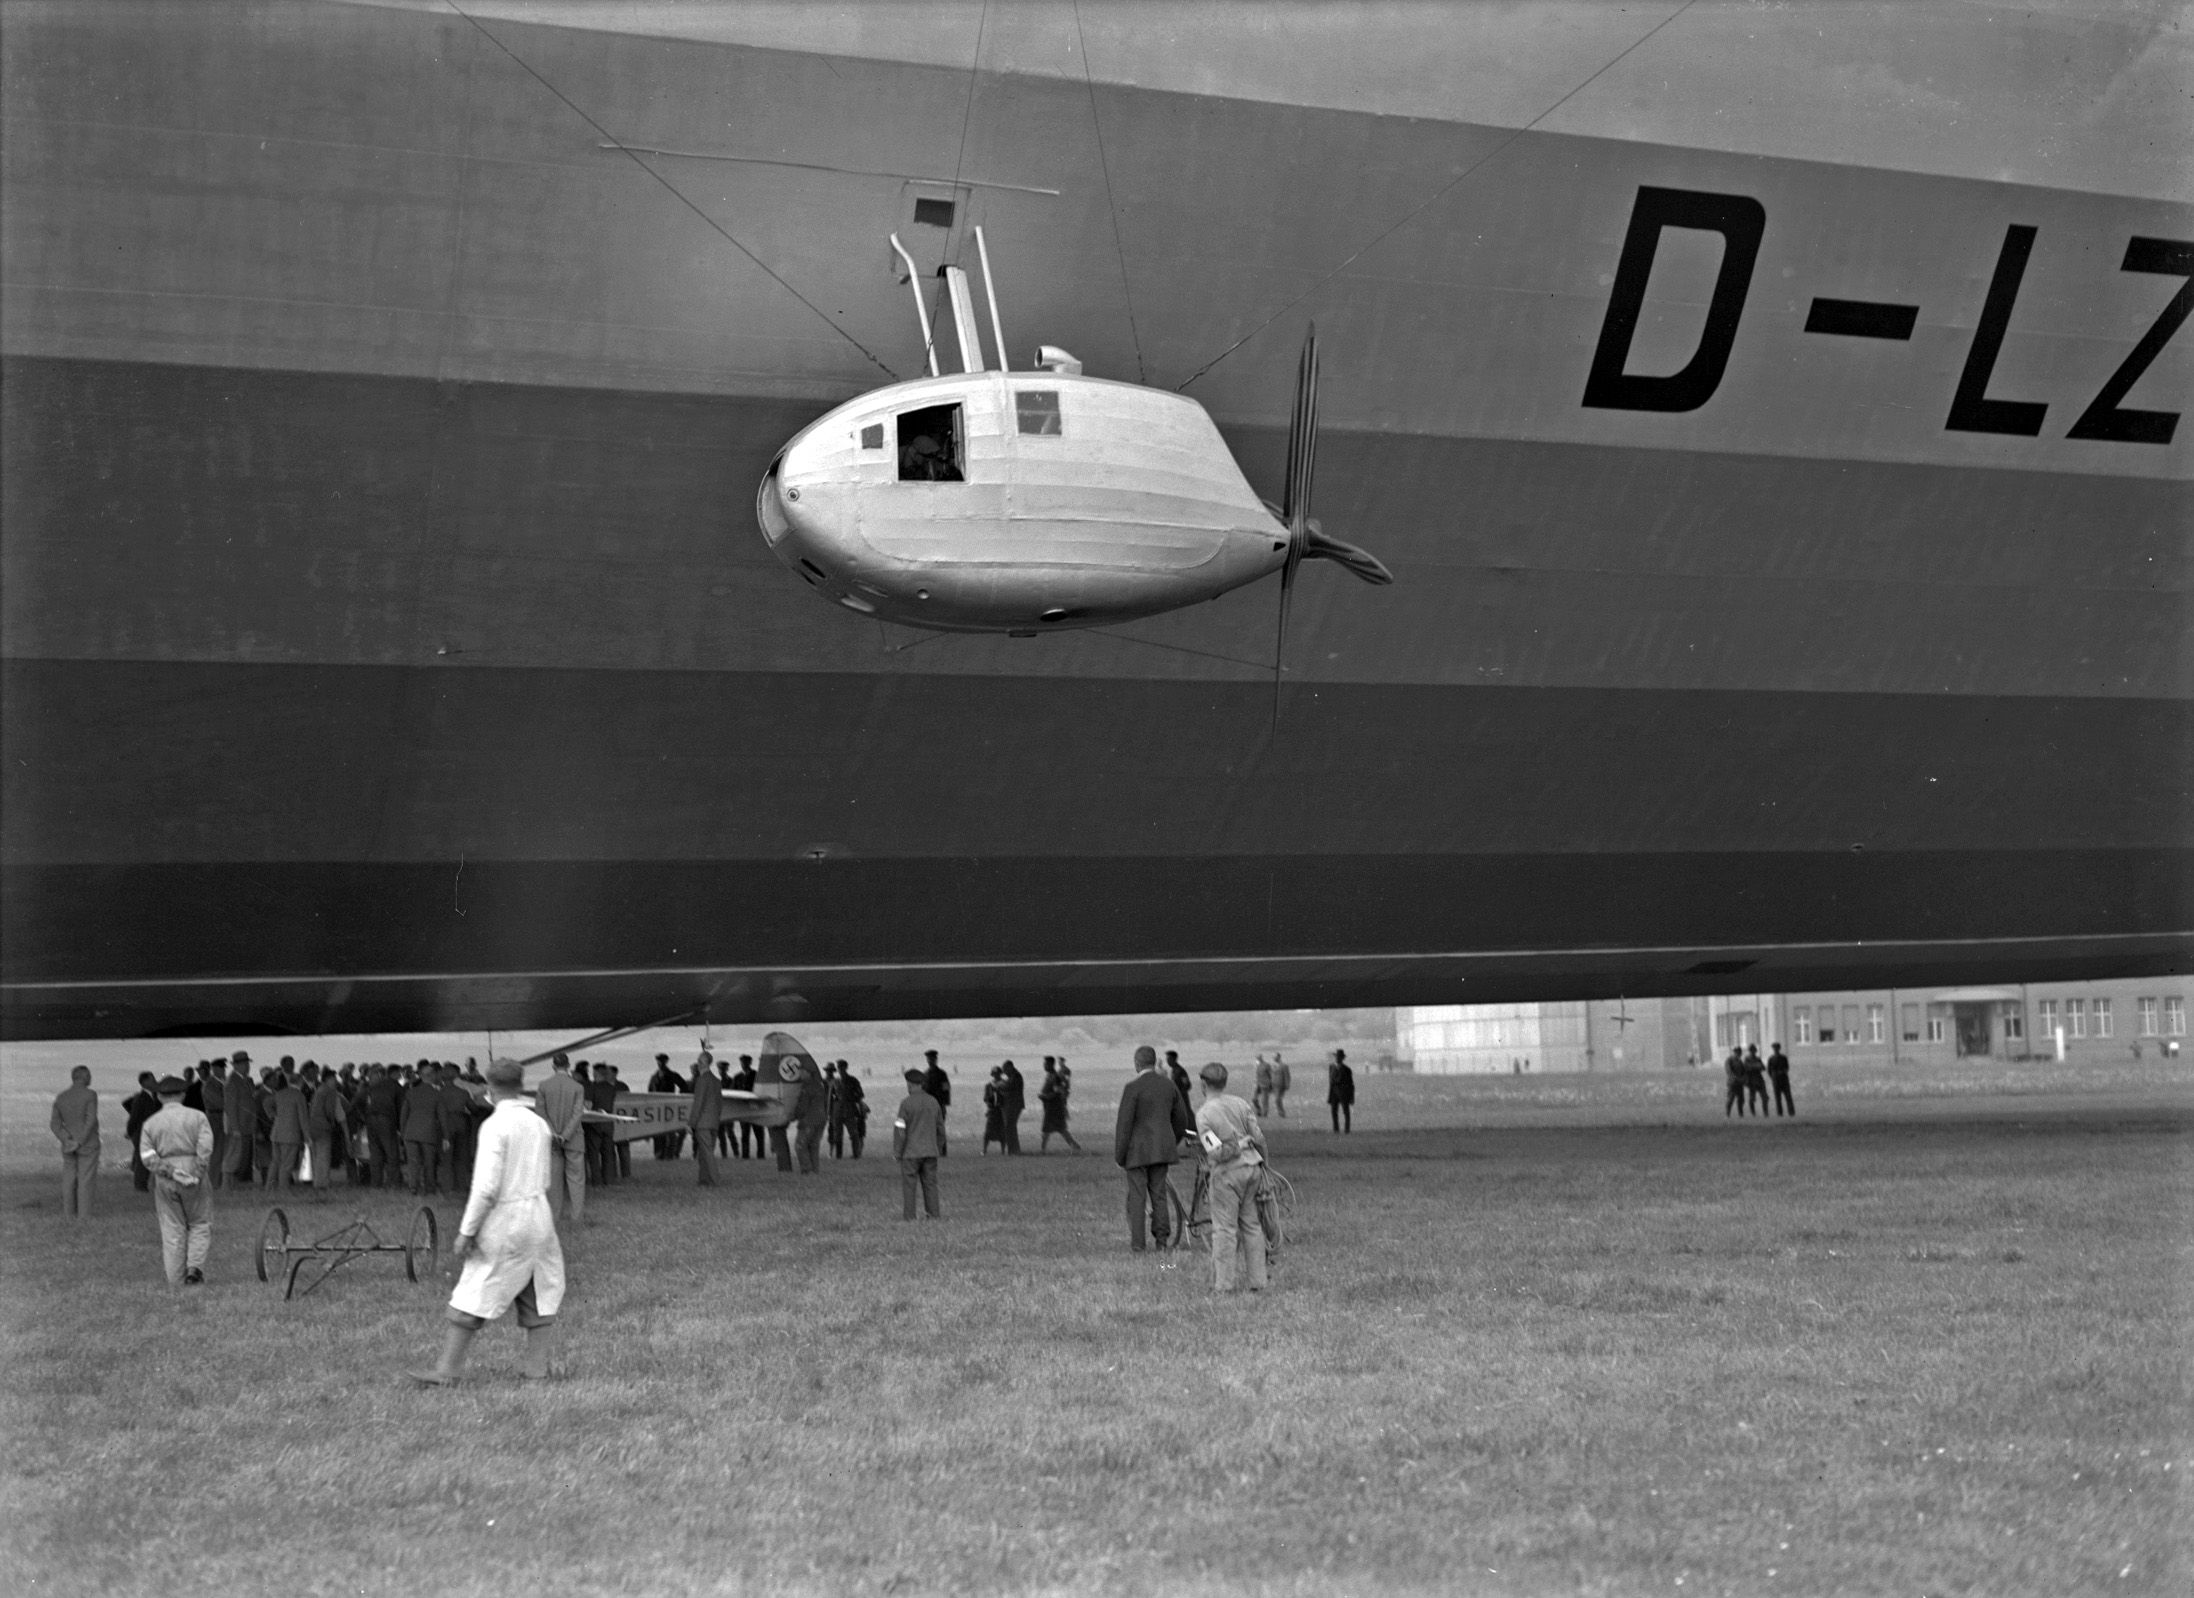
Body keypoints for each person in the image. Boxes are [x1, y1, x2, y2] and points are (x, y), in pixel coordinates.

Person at [411, 1058, 566, 1386]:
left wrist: (466, 1232)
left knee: (477, 1286)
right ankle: (536, 1369)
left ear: (489, 1088)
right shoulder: (538, 1123)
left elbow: (485, 1187)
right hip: (538, 1212)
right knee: (539, 1285)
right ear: (520, 1083)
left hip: (506, 1216)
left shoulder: (495, 1125)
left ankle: (447, 1370)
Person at [1193, 1063, 1269, 1294]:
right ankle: (1258, 1282)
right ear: (1225, 1082)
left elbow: (1215, 1153)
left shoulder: (1204, 1114)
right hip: (1253, 1170)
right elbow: (1259, 1138)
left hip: (1227, 1175)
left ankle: (1224, 1286)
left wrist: (1236, 1146)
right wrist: (1264, 1166)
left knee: (1224, 1230)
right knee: (1252, 1226)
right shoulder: (1241, 1103)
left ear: (1203, 1084)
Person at [1114, 1045, 1192, 1253]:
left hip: (1136, 1153)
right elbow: (1181, 1120)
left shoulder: (1132, 1088)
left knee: (1137, 1198)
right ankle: (1162, 1242)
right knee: (1159, 1195)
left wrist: (1120, 1156)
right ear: (1153, 1061)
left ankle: (1138, 1245)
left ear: (1137, 1063)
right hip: (1162, 1151)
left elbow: (1124, 1126)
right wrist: (1170, 1142)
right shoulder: (1168, 1086)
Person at [138, 1075, 214, 1286]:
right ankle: (194, 1268)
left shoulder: (151, 1123)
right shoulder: (198, 1117)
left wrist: (169, 1171)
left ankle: (175, 1280)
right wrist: (196, 1173)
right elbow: (205, 1148)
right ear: (182, 1094)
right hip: (193, 1169)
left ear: (160, 1096)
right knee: (200, 1222)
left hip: (165, 1178)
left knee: (172, 1228)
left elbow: (147, 1157)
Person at [534, 1054, 588, 1221]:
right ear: (568, 1065)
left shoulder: (543, 1086)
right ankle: (576, 1216)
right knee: (576, 1179)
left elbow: (540, 1112)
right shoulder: (578, 1087)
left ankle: (554, 1215)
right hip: (574, 1138)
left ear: (553, 1066)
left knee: (554, 1180)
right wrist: (565, 1135)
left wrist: (553, 1133)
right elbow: (578, 1113)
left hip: (551, 1139)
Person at [891, 1068, 944, 1220]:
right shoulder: (934, 1102)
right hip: (930, 1151)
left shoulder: (906, 1104)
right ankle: (934, 1215)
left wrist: (897, 1152)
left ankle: (909, 1217)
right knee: (931, 1185)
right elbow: (940, 1128)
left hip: (911, 1153)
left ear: (910, 1085)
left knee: (909, 1186)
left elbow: (900, 1130)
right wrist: (938, 1147)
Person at [50, 1065, 101, 1218]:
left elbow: (55, 1124)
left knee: (68, 1179)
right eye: (89, 1075)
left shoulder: (61, 1097)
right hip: (88, 1144)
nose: (91, 1078)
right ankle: (84, 1215)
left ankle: (69, 1213)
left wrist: (66, 1139)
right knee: (86, 1179)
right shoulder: (90, 1095)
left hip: (68, 1145)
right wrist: (79, 1141)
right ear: (84, 1077)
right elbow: (90, 1120)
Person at [398, 1063, 446, 1194]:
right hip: (428, 1133)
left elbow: (404, 1115)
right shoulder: (437, 1094)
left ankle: (413, 1187)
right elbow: (442, 1117)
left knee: (413, 1162)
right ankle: (429, 1188)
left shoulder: (410, 1092)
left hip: (411, 1132)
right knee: (429, 1163)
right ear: (431, 1076)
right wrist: (446, 1136)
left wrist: (403, 1133)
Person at [307, 1068, 349, 1199]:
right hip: (323, 1127)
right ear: (328, 1079)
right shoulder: (331, 1093)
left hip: (312, 1127)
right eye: (334, 1079)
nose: (336, 1081)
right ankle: (322, 1184)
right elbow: (338, 1114)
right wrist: (346, 1134)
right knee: (324, 1156)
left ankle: (317, 1182)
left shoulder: (318, 1091)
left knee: (316, 1156)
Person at [438, 1064, 479, 1191]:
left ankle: (447, 1186)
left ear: (442, 1078)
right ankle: (461, 1185)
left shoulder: (439, 1093)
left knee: (447, 1157)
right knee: (461, 1156)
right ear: (455, 1077)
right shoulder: (463, 1092)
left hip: (445, 1123)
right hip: (461, 1123)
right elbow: (473, 1109)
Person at [267, 1069, 309, 1191]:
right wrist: (307, 1136)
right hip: (290, 1135)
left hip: (276, 1134)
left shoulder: (280, 1093)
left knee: (275, 1162)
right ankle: (283, 1188)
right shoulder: (299, 1096)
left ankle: (269, 1187)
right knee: (287, 1164)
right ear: (300, 1082)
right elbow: (303, 1118)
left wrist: (272, 1114)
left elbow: (266, 1102)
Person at [687, 1051, 723, 1186]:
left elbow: (698, 1103)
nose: (697, 1063)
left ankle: (714, 1180)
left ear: (702, 1063)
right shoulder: (716, 1081)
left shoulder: (702, 1080)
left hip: (703, 1123)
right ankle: (704, 1180)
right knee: (704, 1153)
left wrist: (691, 1123)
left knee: (707, 1154)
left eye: (699, 1061)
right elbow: (719, 1103)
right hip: (714, 1122)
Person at [123, 1071, 162, 1192]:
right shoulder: (141, 1098)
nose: (155, 1082)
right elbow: (134, 1118)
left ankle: (144, 1184)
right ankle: (140, 1185)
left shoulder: (155, 1096)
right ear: (144, 1083)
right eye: (152, 1079)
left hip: (151, 1133)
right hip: (141, 1133)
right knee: (142, 1160)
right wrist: (130, 1132)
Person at [224, 1053, 259, 1188]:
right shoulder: (232, 1082)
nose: (247, 1066)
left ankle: (236, 1183)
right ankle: (227, 1185)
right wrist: (235, 1128)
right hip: (238, 1127)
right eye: (244, 1064)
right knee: (233, 1156)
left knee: (243, 1157)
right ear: (236, 1065)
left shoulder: (246, 1080)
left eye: (248, 1063)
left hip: (247, 1125)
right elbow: (230, 1107)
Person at [792, 1056, 829, 1175]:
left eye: (801, 1071)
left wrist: (793, 1116)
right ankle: (815, 1170)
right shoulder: (819, 1086)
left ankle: (807, 1169)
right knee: (814, 1145)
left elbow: (802, 1107)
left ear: (807, 1073)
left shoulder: (806, 1087)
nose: (799, 1074)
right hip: (821, 1120)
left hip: (809, 1120)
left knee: (800, 1145)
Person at [648, 1053, 687, 1159]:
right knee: (657, 1133)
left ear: (666, 1062)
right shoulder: (654, 1077)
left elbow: (684, 1087)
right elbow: (650, 1092)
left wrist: (678, 1100)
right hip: (656, 1108)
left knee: (670, 1132)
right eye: (658, 1061)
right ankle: (659, 1155)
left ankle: (669, 1155)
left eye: (662, 1061)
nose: (660, 1063)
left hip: (670, 1108)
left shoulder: (672, 1075)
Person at [1038, 1057, 1081, 1152]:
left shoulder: (1055, 1077)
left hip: (1054, 1108)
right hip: (1051, 1107)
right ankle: (1075, 1146)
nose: (1044, 1066)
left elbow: (1058, 1092)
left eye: (1046, 1064)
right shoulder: (1050, 1076)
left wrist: (1045, 1096)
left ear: (1050, 1064)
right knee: (1060, 1129)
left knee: (1049, 1130)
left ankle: (1043, 1149)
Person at [731, 1056, 762, 1158]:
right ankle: (745, 1155)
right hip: (743, 1109)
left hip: (755, 1108)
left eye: (746, 1062)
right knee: (745, 1134)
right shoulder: (737, 1077)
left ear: (750, 1063)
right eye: (742, 1062)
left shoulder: (756, 1076)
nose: (744, 1064)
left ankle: (760, 1155)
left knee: (759, 1133)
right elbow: (733, 1093)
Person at [836, 1065, 867, 1158]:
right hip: (838, 1111)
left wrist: (851, 1099)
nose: (840, 1070)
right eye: (839, 1068)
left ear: (845, 1068)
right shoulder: (836, 1082)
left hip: (850, 1110)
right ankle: (839, 1155)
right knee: (838, 1135)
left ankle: (856, 1154)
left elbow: (861, 1094)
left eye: (842, 1068)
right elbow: (832, 1096)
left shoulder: (853, 1081)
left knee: (854, 1134)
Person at [998, 1060, 1025, 1154]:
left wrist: (999, 1085)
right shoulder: (1013, 1076)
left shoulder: (1016, 1076)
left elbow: (1009, 1087)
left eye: (1005, 1070)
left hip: (1014, 1105)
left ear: (1010, 1067)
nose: (1004, 1072)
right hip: (1012, 1105)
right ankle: (1014, 1149)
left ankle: (1013, 1150)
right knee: (1011, 1127)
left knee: (1009, 1126)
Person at [1327, 1048, 1355, 1132]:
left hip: (1344, 1094)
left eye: (1339, 1057)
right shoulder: (1331, 1067)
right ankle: (1336, 1129)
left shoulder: (1347, 1070)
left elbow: (1351, 1084)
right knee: (1333, 1112)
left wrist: (1351, 1097)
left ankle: (1347, 1130)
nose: (1337, 1058)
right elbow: (1330, 1081)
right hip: (1334, 1093)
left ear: (1342, 1058)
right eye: (1336, 1057)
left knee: (1346, 1112)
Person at [1766, 1042, 1796, 1117]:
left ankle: (1791, 1112)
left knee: (1788, 1097)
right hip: (1776, 1080)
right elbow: (1769, 1070)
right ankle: (1780, 1113)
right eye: (1774, 1048)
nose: (1776, 1050)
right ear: (1773, 1049)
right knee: (1778, 1098)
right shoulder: (1771, 1059)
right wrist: (1774, 1076)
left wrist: (1782, 1072)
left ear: (1779, 1049)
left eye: (1777, 1048)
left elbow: (1787, 1068)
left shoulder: (1783, 1058)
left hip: (1784, 1080)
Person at [981, 1068, 1006, 1155]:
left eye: (997, 1073)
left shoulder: (1004, 1084)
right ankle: (984, 1150)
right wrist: (989, 1103)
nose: (996, 1075)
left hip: (1001, 1111)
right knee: (988, 1132)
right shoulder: (988, 1085)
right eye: (994, 1073)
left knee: (1002, 1132)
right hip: (992, 1110)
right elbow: (985, 1098)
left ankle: (1003, 1151)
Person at [923, 1050, 951, 1122]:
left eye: (932, 1059)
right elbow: (922, 1090)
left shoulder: (942, 1074)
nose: (930, 1061)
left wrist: (944, 1104)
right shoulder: (925, 1074)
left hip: (939, 1104)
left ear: (936, 1060)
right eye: (929, 1059)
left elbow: (946, 1089)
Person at [1742, 1044, 1769, 1115]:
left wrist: (1754, 1066)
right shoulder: (1747, 1059)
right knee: (1752, 1098)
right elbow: (1746, 1068)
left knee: (1765, 1097)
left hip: (1759, 1080)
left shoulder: (1758, 1059)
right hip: (1751, 1081)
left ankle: (1765, 1112)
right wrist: (1756, 1066)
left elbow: (1763, 1067)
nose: (1753, 1052)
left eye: (1754, 1050)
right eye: (1752, 1050)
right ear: (1750, 1051)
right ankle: (1753, 1113)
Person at [1164, 1051, 1193, 1115]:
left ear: (1174, 1059)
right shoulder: (1173, 1070)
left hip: (1182, 1100)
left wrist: (1180, 1093)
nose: (1167, 1061)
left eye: (1169, 1059)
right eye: (1166, 1059)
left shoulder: (1180, 1071)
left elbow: (1187, 1085)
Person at [1723, 1048, 1747, 1117]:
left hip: (1740, 1083)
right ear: (1734, 1053)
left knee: (1741, 1100)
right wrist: (1735, 1078)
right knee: (1730, 1099)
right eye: (1738, 1053)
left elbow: (1743, 1071)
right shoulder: (1729, 1060)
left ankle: (1741, 1114)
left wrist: (1743, 1078)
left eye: (1740, 1053)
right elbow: (1729, 1071)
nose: (1739, 1054)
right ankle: (1727, 1114)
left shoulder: (1740, 1061)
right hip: (1732, 1083)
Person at [1271, 1054, 1291, 1118]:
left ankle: (1282, 1113)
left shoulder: (1284, 1066)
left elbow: (1287, 1076)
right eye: (1273, 1057)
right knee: (1277, 1100)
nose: (1274, 1058)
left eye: (1275, 1057)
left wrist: (1287, 1085)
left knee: (1277, 1099)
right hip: (1274, 1085)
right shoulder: (1273, 1066)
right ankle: (1281, 1113)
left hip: (1281, 1085)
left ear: (1279, 1057)